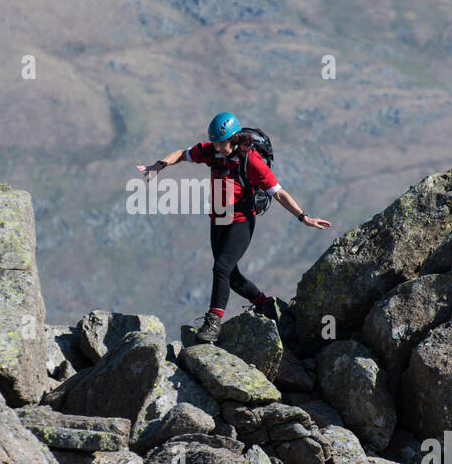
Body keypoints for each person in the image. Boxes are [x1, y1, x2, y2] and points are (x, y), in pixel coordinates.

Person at [137, 112, 332, 343]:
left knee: (221, 268)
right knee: (230, 275)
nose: (217, 147)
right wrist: (158, 166)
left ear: (234, 138)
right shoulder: (212, 151)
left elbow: (278, 192)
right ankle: (265, 304)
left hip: (241, 221)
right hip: (219, 219)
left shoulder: (251, 161)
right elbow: (181, 154)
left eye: (221, 143)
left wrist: (303, 217)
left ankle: (213, 323)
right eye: (215, 142)